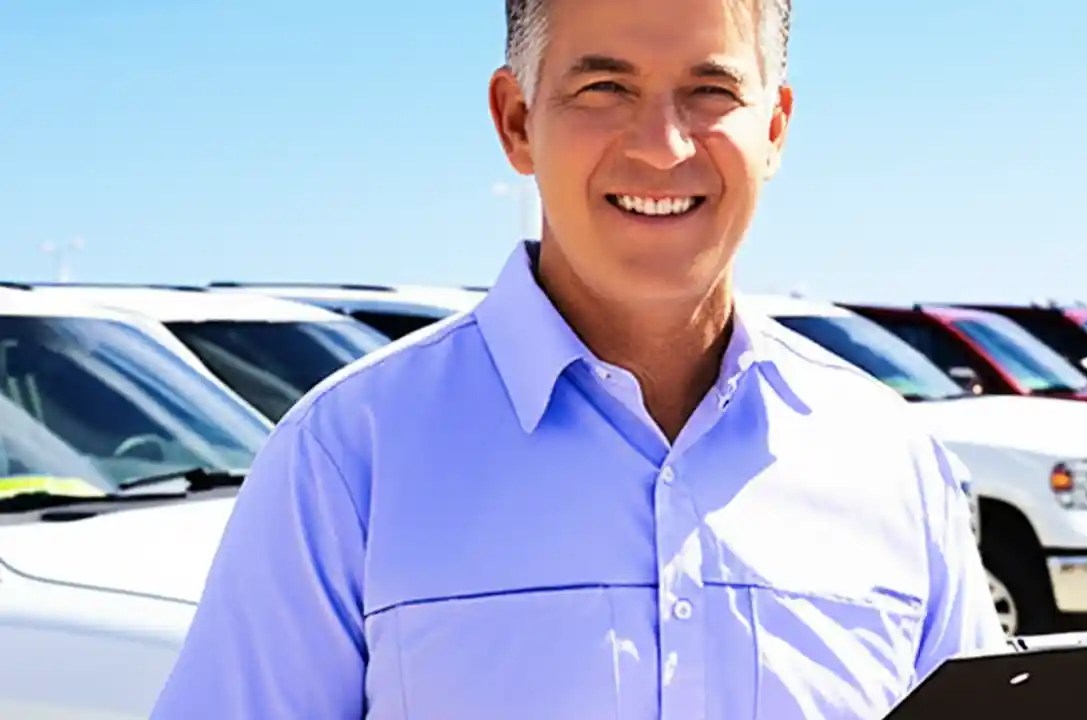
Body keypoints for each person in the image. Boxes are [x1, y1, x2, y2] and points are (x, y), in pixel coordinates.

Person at [150, 0, 1006, 717]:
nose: (662, 146)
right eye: (605, 88)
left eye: (710, 91)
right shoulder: (348, 459)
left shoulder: (895, 466)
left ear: (775, 127)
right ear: (517, 121)